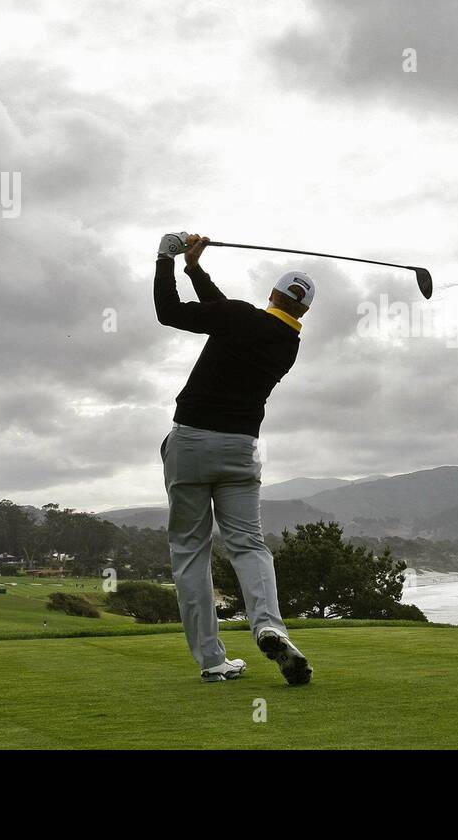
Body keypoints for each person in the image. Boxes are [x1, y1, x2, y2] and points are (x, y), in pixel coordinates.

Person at [153, 231, 314, 685]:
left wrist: (167, 258)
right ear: (302, 310)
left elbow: (171, 313)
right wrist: (195, 268)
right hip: (240, 451)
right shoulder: (287, 344)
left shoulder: (241, 317)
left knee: (190, 552)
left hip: (190, 445)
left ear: (272, 295)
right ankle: (268, 626)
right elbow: (226, 315)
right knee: (249, 545)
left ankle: (212, 660)